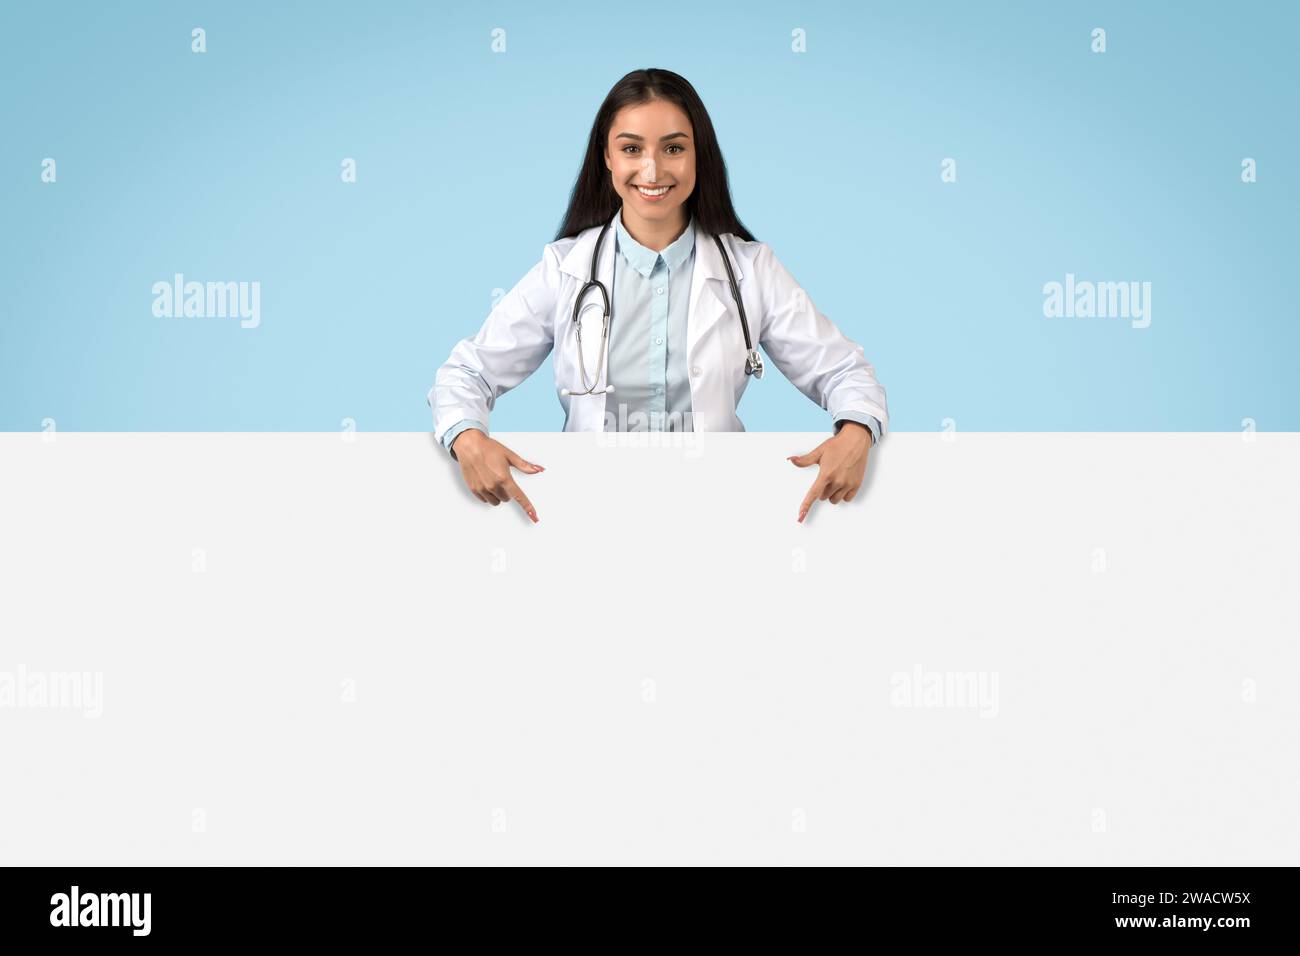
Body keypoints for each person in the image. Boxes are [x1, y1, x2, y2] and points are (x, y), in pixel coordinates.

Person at [429, 68, 888, 524]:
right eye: (631, 149)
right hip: (588, 510)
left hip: (717, 509)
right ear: (606, 158)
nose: (652, 170)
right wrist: (468, 438)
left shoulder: (750, 270)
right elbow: (467, 373)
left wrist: (856, 431)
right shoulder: (564, 269)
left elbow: (844, 371)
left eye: (673, 148)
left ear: (697, 156)